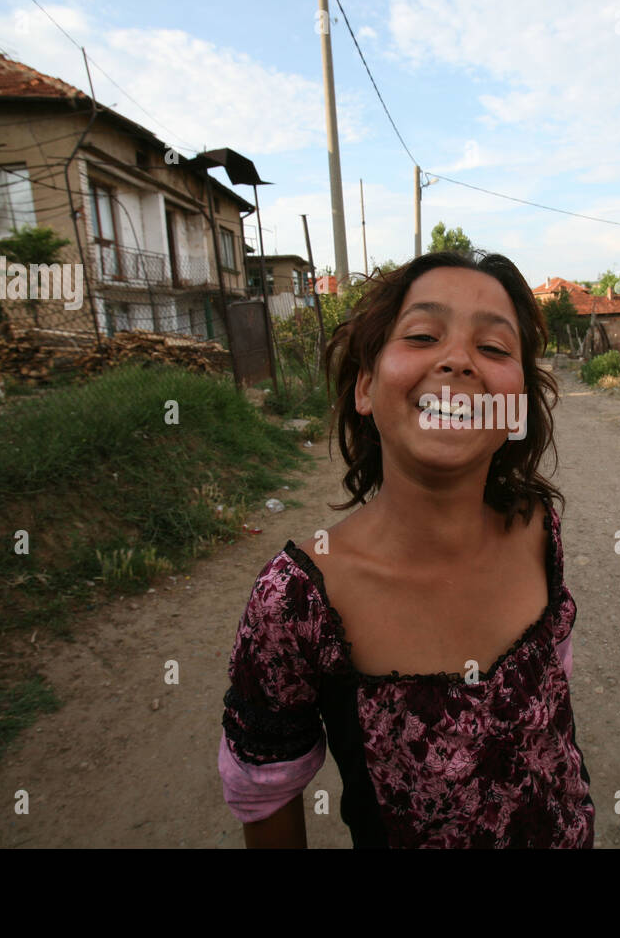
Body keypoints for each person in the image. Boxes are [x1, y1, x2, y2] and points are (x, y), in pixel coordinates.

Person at [218, 250, 595, 848]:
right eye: (423, 335)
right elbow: (265, 791)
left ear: (516, 406)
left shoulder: (536, 530)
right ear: (366, 387)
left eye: (494, 349)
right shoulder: (295, 600)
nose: (457, 360)